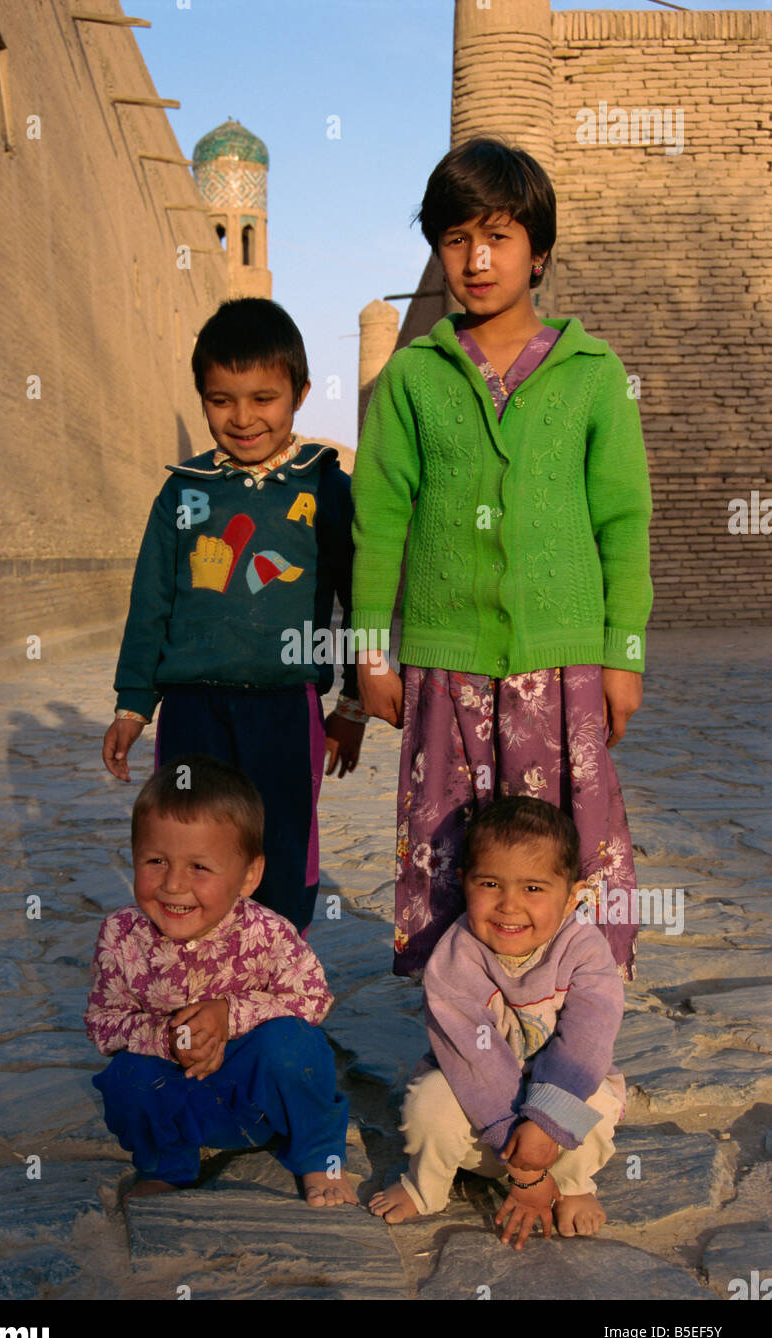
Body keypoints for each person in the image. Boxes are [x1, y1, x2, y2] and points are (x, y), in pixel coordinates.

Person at [350, 136, 652, 981]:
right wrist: (371, 654)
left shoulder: (593, 375)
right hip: (447, 673)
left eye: (499, 236)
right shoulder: (414, 378)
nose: (476, 259)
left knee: (569, 846)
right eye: (455, 239)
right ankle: (461, 1032)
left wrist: (623, 658)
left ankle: (572, 1025)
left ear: (539, 250)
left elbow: (625, 524)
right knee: (452, 852)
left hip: (563, 676)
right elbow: (380, 522)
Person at [102, 297, 367, 934]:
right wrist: (134, 703)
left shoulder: (324, 486)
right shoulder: (184, 491)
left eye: (263, 398)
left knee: (280, 846)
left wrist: (355, 703)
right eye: (222, 400)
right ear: (202, 398)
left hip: (285, 706)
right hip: (193, 706)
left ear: (300, 393)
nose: (243, 419)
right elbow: (151, 600)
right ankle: (195, 979)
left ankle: (275, 984)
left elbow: (361, 596)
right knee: (192, 847)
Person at [85, 755, 357, 1208]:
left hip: (261, 1101)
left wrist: (231, 1015)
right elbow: (103, 1023)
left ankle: (317, 1155)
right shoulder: (121, 936)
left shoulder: (267, 932)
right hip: (180, 1094)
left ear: (249, 876)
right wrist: (165, 1040)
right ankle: (167, 1164)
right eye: (155, 861)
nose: (173, 885)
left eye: (199, 868)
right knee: (125, 1078)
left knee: (296, 1045)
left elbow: (313, 998)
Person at [369, 797, 625, 1248]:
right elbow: (472, 1057)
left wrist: (546, 1124)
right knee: (429, 1101)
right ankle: (425, 1187)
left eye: (533, 888)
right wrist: (525, 1172)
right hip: (485, 1120)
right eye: (490, 883)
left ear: (572, 898)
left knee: (599, 1102)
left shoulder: (585, 951)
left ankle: (572, 1183)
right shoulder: (454, 958)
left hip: (555, 1129)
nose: (509, 906)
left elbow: (588, 1038)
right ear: (465, 884)